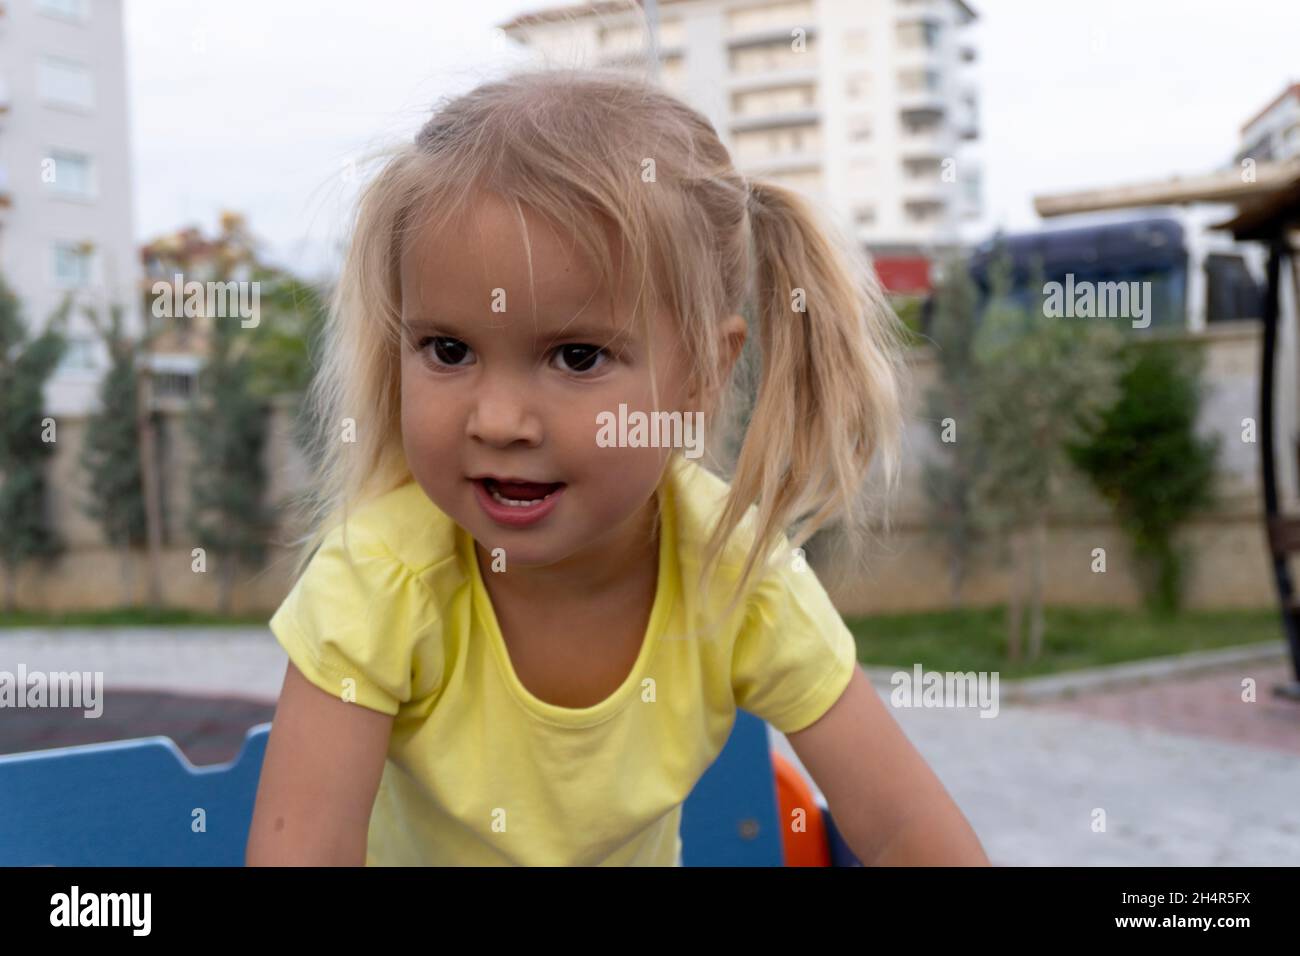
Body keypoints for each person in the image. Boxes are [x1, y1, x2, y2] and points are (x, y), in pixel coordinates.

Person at [246, 67, 989, 866]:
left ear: (703, 371)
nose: (498, 421)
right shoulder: (377, 581)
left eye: (576, 356)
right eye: (449, 350)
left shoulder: (739, 577)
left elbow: (910, 831)